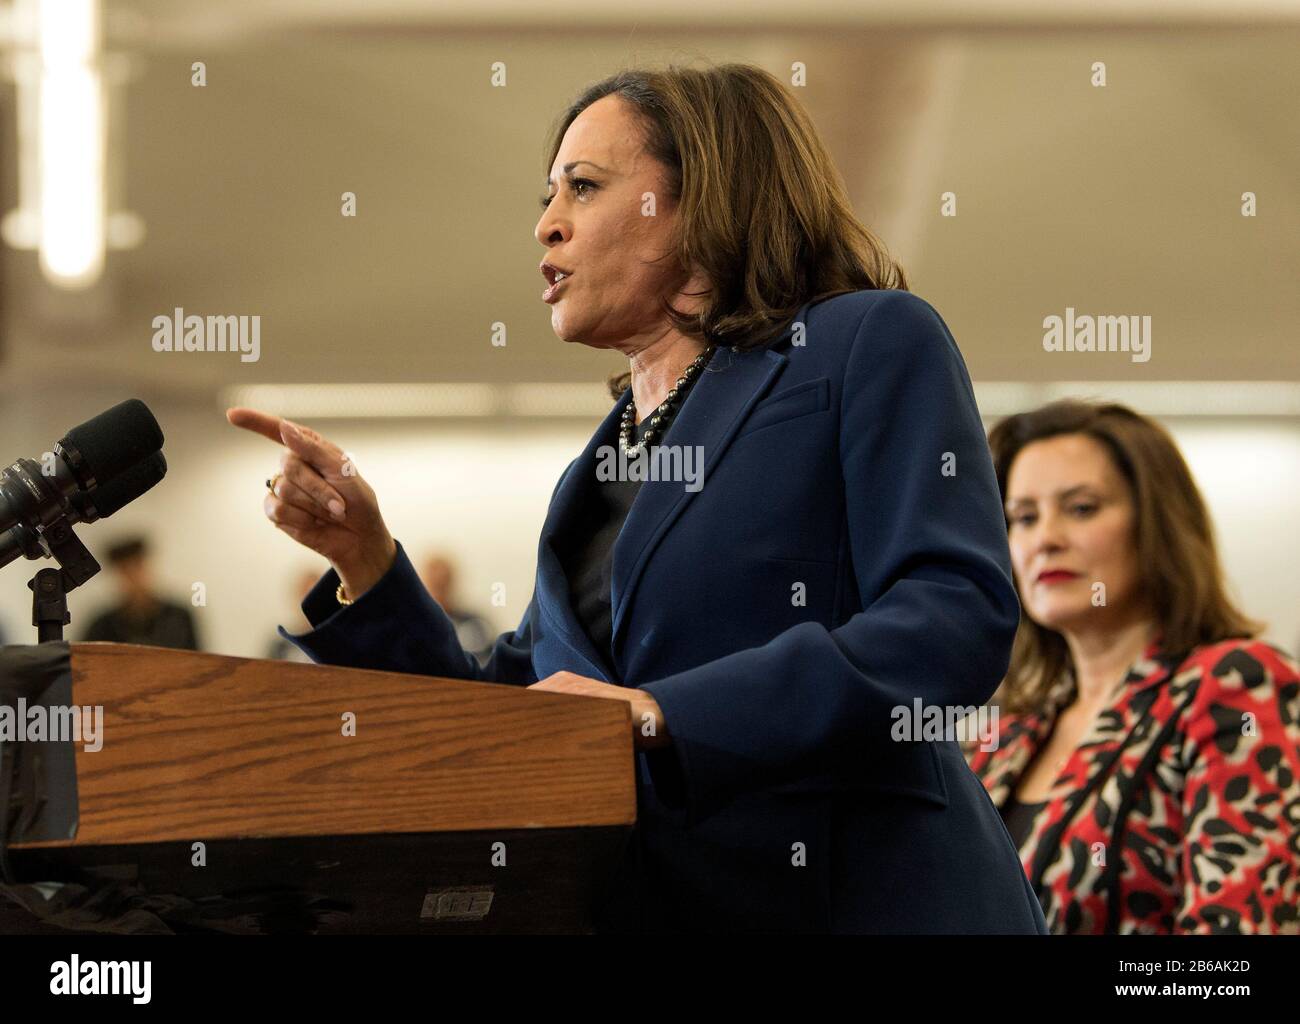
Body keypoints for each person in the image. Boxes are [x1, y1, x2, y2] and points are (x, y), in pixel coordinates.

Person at [227, 63, 1046, 934]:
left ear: (701, 203)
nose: (546, 225)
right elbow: (503, 717)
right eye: (549, 197)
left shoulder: (861, 342)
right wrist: (366, 558)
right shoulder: (606, 458)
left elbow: (952, 618)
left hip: (863, 900)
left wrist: (666, 715)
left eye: (583, 188)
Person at [964, 399, 1300, 934]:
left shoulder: (1235, 684)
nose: (1045, 538)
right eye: (1023, 517)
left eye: (1081, 508)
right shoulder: (1005, 736)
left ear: (1157, 525)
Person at [80, 537, 200, 650]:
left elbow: (199, 663)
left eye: (137, 566)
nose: (133, 577)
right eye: (125, 570)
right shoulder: (102, 626)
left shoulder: (179, 617)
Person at [419, 554, 495, 667]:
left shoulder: (474, 625)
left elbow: (488, 665)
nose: (439, 583)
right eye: (434, 581)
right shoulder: (413, 624)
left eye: (443, 581)